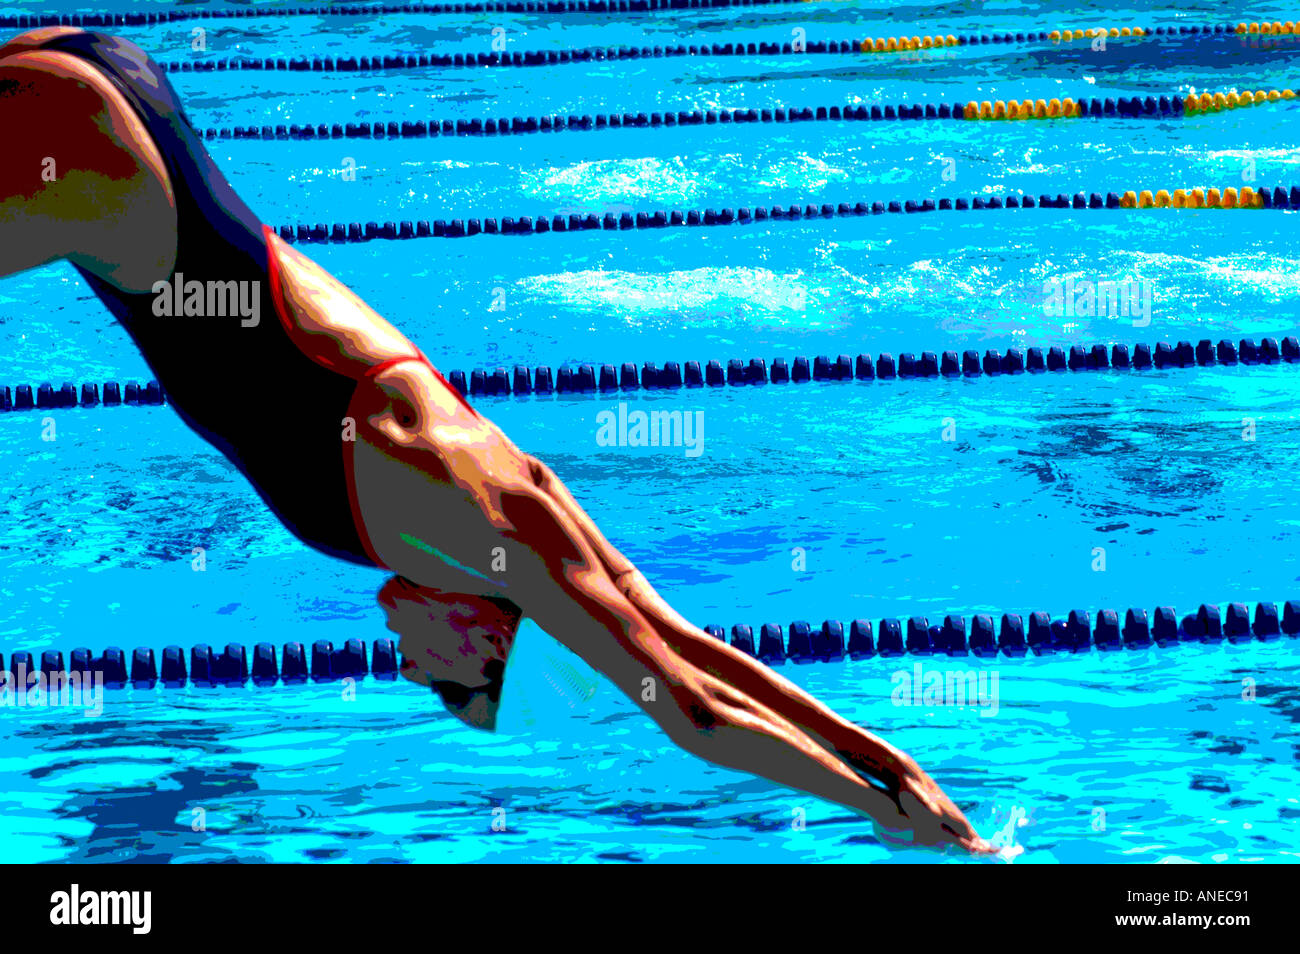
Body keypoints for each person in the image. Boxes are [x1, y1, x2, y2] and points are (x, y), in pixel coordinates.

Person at [0, 28, 991, 853]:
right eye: (445, 684)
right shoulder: (474, 528)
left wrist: (895, 764)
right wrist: (880, 814)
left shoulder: (519, 495)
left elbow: (688, 647)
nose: (404, 664)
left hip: (124, 108)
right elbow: (688, 708)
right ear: (489, 641)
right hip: (102, 178)